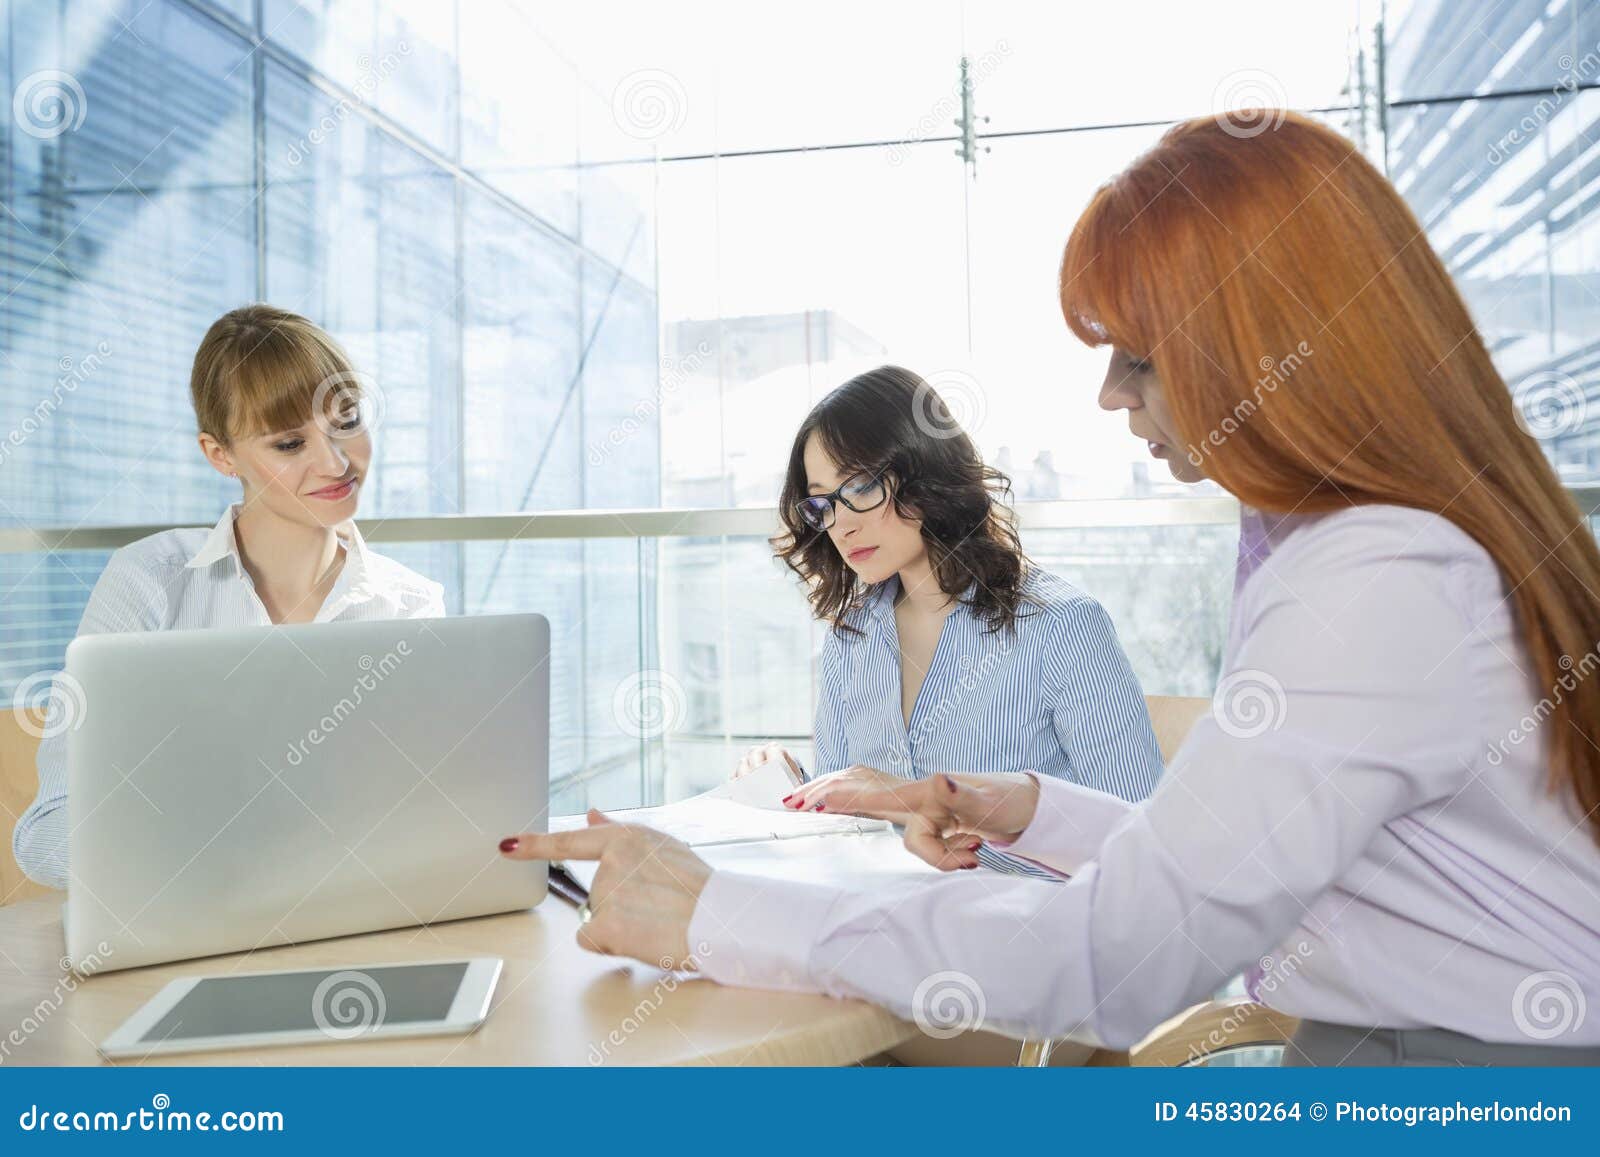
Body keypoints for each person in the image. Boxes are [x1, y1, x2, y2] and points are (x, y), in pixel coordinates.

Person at [500, 111, 1600, 1065]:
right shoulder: (1386, 545)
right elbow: (1213, 853)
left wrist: (713, 907)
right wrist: (1028, 805)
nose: (1112, 393)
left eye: (1138, 355)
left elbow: (1123, 954)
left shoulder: (1372, 581)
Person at [13, 305, 444, 889]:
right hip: (182, 928)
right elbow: (50, 831)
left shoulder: (410, 605)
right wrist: (229, 869)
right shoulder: (149, 580)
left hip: (356, 922)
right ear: (221, 456)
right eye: (290, 444)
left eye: (346, 421)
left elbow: (434, 820)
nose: (337, 461)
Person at [736, 365, 1161, 877]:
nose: (841, 523)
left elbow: (1140, 842)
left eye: (863, 486)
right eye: (822, 503)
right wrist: (791, 779)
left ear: (926, 472)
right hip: (891, 922)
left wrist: (910, 800)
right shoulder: (852, 634)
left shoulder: (1061, 625)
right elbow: (850, 822)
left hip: (1031, 931)